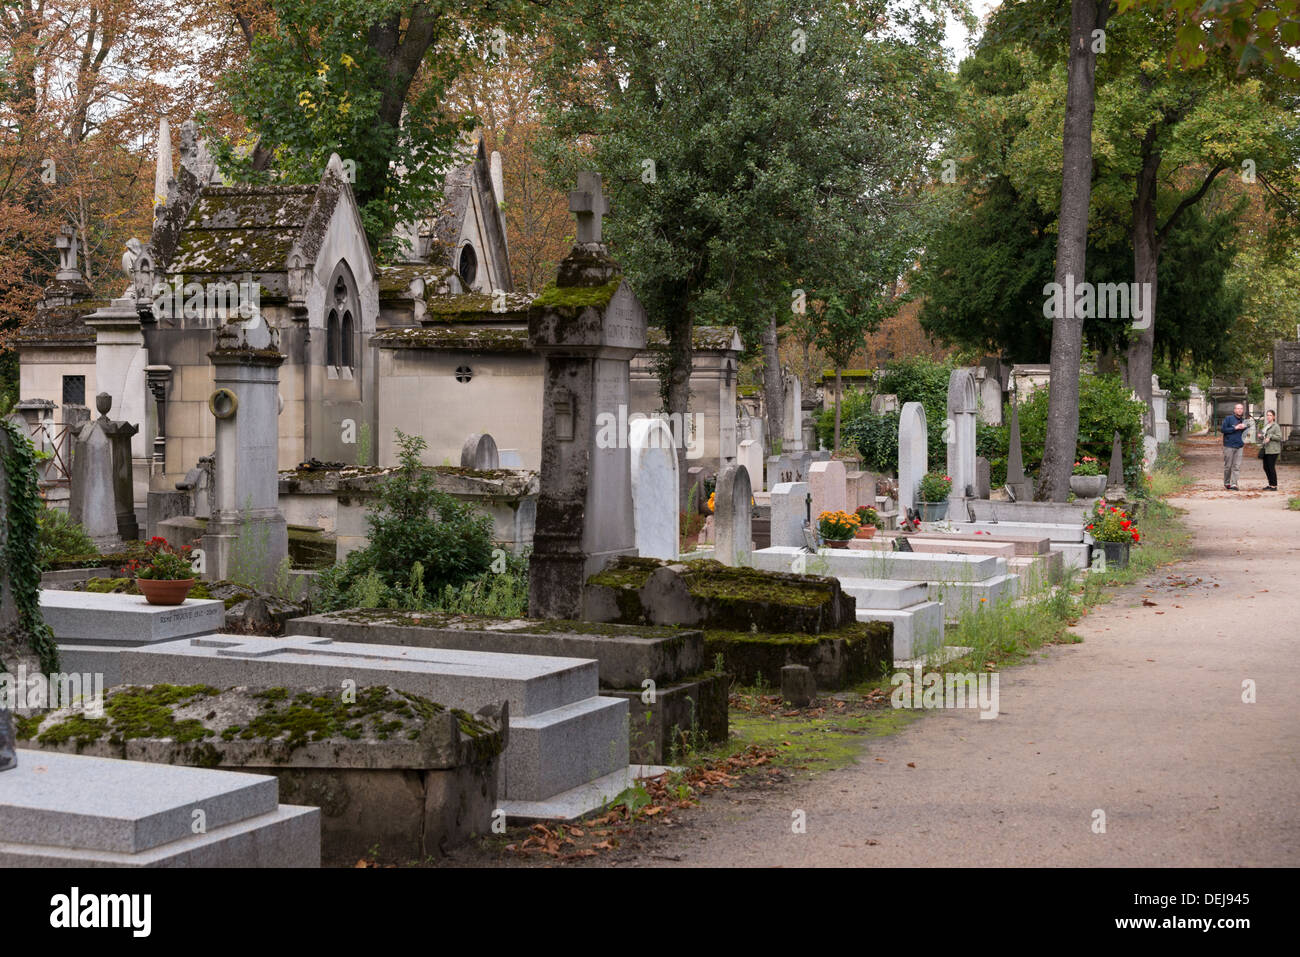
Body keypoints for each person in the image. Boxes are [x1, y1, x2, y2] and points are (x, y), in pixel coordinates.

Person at [1220, 403, 1248, 490]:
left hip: (1239, 446)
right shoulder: (1228, 419)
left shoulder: (1244, 421)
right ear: (1234, 410)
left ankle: (1234, 484)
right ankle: (1227, 482)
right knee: (1228, 466)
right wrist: (1235, 428)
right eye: (1238, 408)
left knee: (1237, 466)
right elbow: (1223, 430)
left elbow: (1247, 435)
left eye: (1241, 409)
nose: (1239, 410)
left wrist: (1246, 428)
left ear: (1242, 410)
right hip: (1229, 445)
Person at [1259, 409, 1283, 490]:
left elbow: (1279, 437)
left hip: (1273, 450)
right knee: (1266, 467)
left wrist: (1270, 437)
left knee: (1271, 467)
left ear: (1274, 416)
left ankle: (1274, 486)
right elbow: (1264, 436)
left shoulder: (1276, 426)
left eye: (1270, 415)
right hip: (1266, 449)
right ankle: (1270, 484)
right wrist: (1261, 436)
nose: (1268, 416)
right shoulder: (1267, 425)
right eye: (1267, 415)